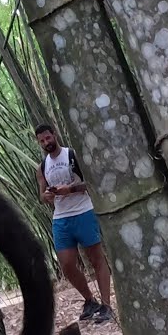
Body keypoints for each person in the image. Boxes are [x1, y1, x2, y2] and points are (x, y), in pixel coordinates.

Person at [34, 124, 114, 324]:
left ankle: (106, 305)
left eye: (48, 138)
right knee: (67, 264)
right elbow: (41, 195)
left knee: (96, 259)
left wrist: (69, 190)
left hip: (83, 211)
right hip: (61, 217)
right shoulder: (42, 167)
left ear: (54, 135)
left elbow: (91, 183)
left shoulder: (72, 155)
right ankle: (90, 300)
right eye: (42, 141)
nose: (46, 143)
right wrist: (47, 196)